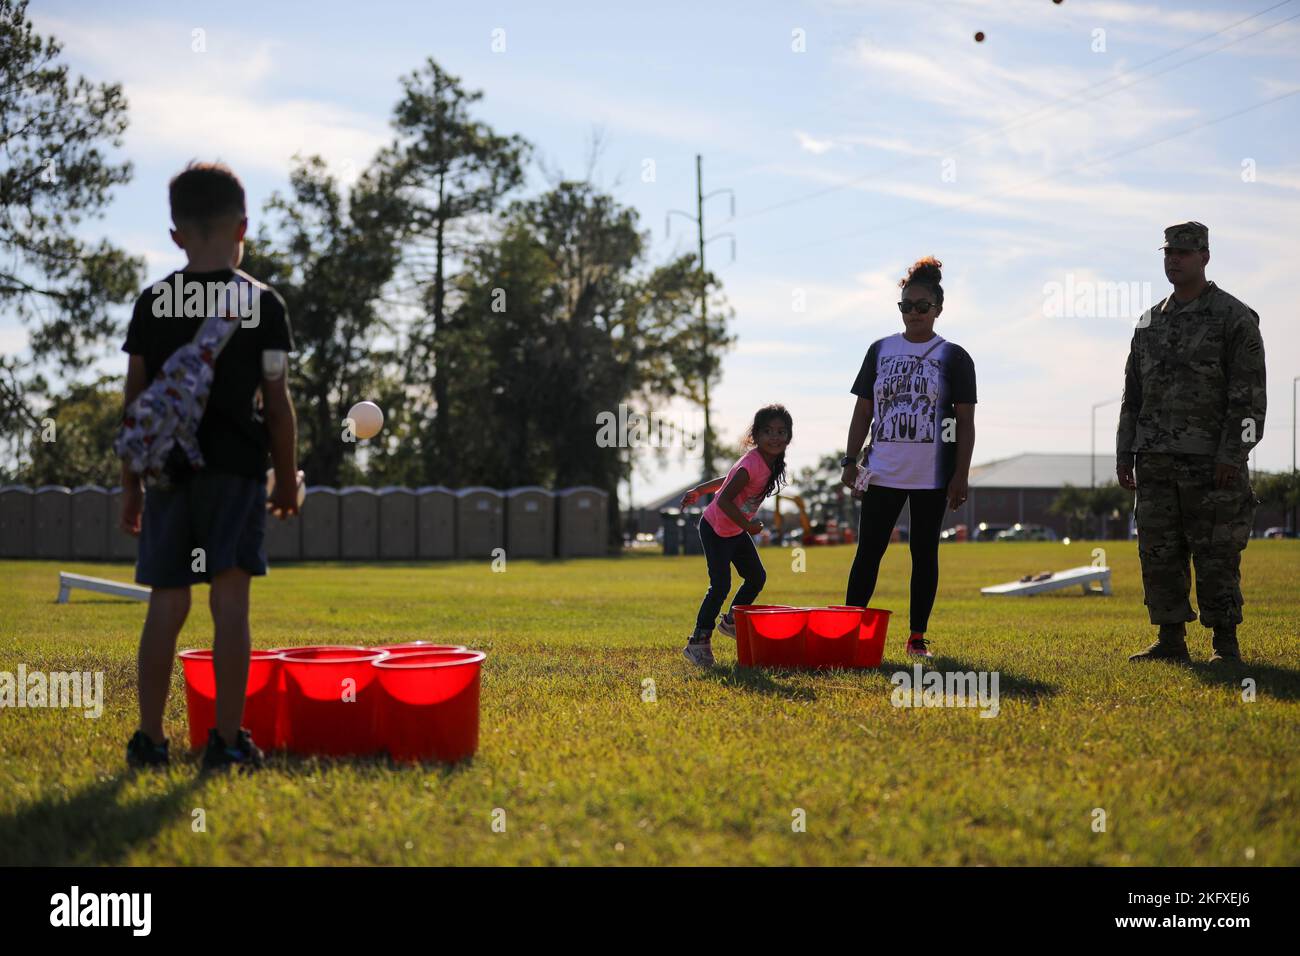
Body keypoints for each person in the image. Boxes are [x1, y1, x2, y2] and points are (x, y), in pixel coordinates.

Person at [120, 162, 299, 771]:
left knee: (166, 606)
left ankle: (149, 741)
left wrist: (131, 489)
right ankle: (225, 742)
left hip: (167, 474)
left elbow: (136, 405)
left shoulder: (152, 303)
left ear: (175, 234)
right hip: (236, 473)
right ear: (242, 225)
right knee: (230, 607)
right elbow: (277, 405)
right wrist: (288, 477)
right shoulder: (262, 305)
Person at [1118, 221, 1266, 664]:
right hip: (1156, 461)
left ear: (1204, 256)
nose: (1174, 259)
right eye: (1168, 252)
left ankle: (1225, 644)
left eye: (1184, 252)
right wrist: (1126, 451)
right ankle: (1171, 640)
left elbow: (1249, 397)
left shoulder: (1233, 317)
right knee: (1159, 552)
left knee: (1217, 553)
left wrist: (1232, 455)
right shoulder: (1149, 321)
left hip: (1211, 463)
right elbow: (1133, 394)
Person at [840, 256, 976, 658]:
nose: (913, 313)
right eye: (906, 306)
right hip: (883, 472)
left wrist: (960, 474)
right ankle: (848, 631)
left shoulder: (955, 356)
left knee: (924, 554)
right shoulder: (880, 349)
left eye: (922, 306)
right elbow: (863, 410)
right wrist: (850, 461)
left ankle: (917, 638)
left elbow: (964, 423)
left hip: (932, 475)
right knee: (868, 552)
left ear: (938, 308)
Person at [679, 404, 792, 667]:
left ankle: (732, 622)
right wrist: (748, 526)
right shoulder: (752, 463)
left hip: (734, 529)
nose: (774, 437)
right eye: (767, 431)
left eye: (781, 431)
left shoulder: (767, 461)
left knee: (756, 577)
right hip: (717, 527)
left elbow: (727, 479)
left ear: (788, 437)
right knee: (720, 586)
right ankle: (698, 642)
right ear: (755, 435)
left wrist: (699, 489)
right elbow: (725, 501)